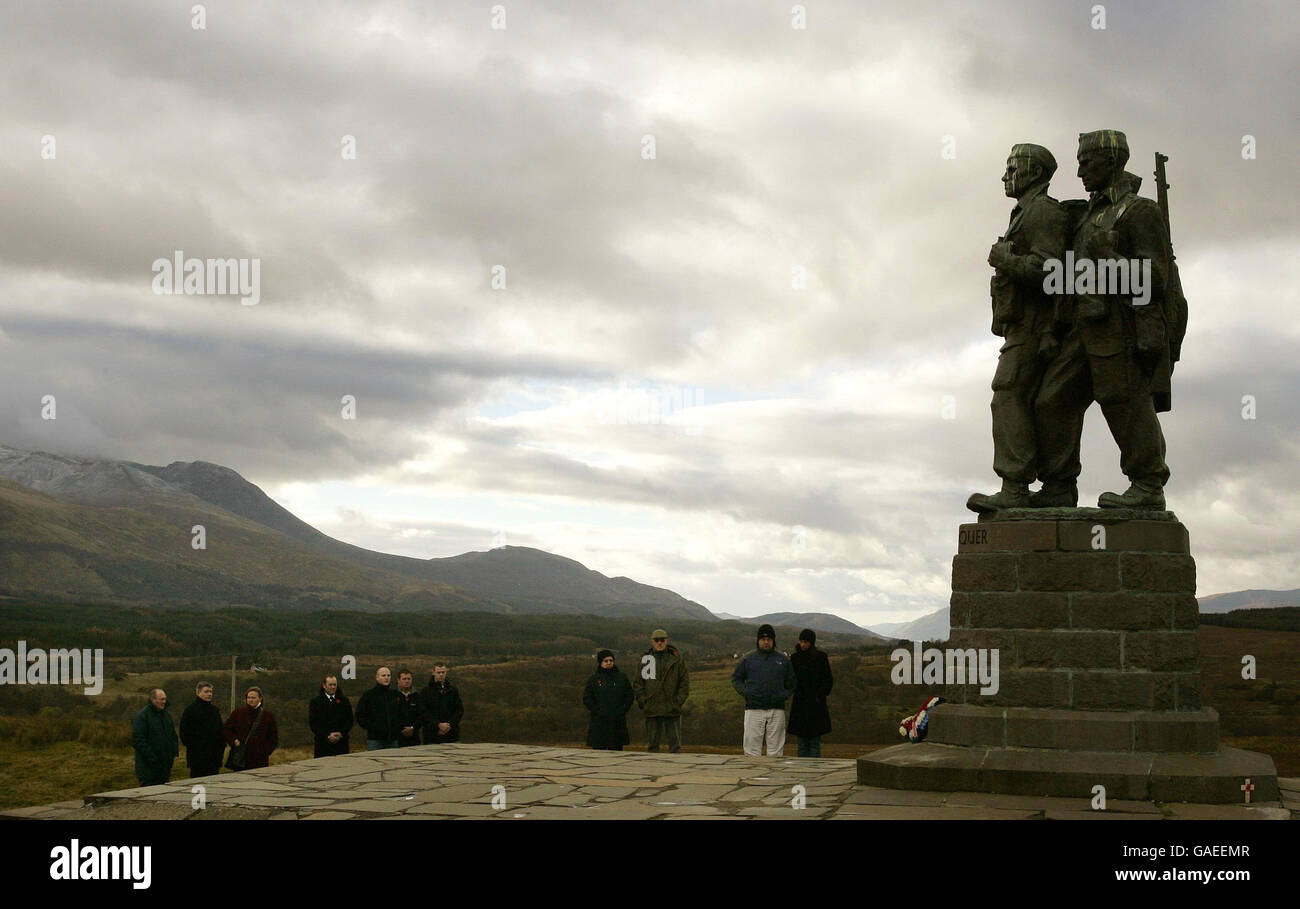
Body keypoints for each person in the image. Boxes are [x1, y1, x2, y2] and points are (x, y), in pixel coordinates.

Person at [1033, 129, 1176, 509]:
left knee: (1123, 402)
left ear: (1111, 162)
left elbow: (1155, 278)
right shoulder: (1087, 216)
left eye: (1086, 162)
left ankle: (1147, 485)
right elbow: (1072, 275)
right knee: (1052, 401)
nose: (1079, 172)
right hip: (1081, 325)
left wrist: (1109, 257)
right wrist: (1054, 326)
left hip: (1119, 325)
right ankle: (1059, 486)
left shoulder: (1139, 210)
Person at [968, 143, 1069, 512]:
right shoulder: (1025, 212)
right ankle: (1037, 485)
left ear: (1036, 173)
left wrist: (1006, 260)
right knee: (1025, 399)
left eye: (1013, 167)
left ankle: (1015, 487)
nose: (1005, 175)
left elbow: (1051, 271)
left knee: (1008, 392)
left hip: (1035, 324)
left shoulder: (1042, 212)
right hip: (1022, 324)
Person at [731, 624, 796, 757]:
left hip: (776, 709)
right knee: (751, 750)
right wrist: (746, 692)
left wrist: (783, 695)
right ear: (758, 640)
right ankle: (750, 777)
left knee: (776, 751)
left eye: (769, 639)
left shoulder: (782, 660)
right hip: (753, 708)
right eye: (763, 639)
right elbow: (736, 678)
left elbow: (792, 682)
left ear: (773, 640)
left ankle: (774, 776)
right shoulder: (748, 659)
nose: (766, 642)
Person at [632, 628, 689, 753]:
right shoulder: (645, 660)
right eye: (657, 640)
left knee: (675, 747)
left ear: (666, 641)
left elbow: (684, 684)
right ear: (652, 642)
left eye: (662, 640)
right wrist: (644, 701)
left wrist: (677, 702)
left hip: (672, 707)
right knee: (652, 747)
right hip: (652, 707)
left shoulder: (677, 660)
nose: (659, 643)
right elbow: (638, 683)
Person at [787, 629, 833, 757]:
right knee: (802, 742)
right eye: (801, 641)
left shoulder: (821, 657)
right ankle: (802, 768)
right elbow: (791, 679)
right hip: (800, 703)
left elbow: (828, 679)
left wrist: (819, 695)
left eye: (805, 642)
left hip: (816, 705)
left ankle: (815, 768)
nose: (803, 644)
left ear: (811, 642)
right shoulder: (795, 658)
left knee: (814, 742)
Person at [583, 650, 634, 751]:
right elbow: (587, 698)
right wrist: (597, 711)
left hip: (617, 721)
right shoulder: (594, 679)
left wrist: (622, 710)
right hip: (599, 721)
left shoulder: (622, 678)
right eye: (606, 661)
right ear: (600, 662)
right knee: (598, 754)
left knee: (617, 751)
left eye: (611, 660)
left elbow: (629, 696)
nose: (609, 663)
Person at [221, 687, 279, 771]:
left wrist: (264, 751)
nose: (250, 700)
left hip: (259, 760)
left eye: (253, 698)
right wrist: (234, 740)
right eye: (248, 697)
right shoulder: (238, 713)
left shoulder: (267, 716)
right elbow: (226, 729)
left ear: (260, 699)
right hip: (241, 758)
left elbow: (273, 737)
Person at [131, 688, 179, 786]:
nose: (164, 702)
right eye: (161, 699)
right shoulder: (142, 716)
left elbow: (172, 735)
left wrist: (173, 752)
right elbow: (138, 741)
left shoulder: (166, 715)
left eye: (165, 699)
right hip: (148, 769)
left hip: (165, 767)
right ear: (153, 700)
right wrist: (153, 760)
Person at [178, 681, 225, 776]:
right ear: (198, 693)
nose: (209, 694)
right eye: (206, 691)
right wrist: (195, 748)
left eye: (211, 691)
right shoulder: (190, 711)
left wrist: (220, 751)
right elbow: (184, 734)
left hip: (214, 759)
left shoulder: (215, 711)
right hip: (197, 759)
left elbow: (220, 733)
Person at [355, 666, 401, 750]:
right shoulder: (369, 695)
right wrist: (373, 728)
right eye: (383, 676)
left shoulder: (395, 695)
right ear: (377, 678)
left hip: (393, 740)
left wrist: (397, 728)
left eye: (388, 675)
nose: (386, 678)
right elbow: (359, 716)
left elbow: (401, 714)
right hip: (375, 740)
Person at [308, 674, 353, 758]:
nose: (333, 687)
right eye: (330, 685)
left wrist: (341, 733)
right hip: (322, 745)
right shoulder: (315, 702)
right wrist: (327, 736)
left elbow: (349, 720)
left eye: (334, 684)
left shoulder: (344, 701)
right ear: (324, 686)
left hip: (341, 744)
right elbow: (313, 724)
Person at [420, 663, 464, 744]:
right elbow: (423, 712)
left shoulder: (453, 691)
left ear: (446, 672)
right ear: (433, 673)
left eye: (443, 672)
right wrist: (438, 725)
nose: (441, 675)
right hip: (432, 735)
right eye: (438, 672)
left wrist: (449, 725)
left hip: (451, 735)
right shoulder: (425, 692)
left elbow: (459, 710)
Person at [394, 668, 424, 747]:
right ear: (398, 680)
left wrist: (412, 728)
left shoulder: (418, 697)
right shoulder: (393, 696)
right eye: (404, 679)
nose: (407, 681)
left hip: (414, 737)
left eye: (409, 679)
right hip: (396, 737)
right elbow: (392, 716)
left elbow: (422, 715)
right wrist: (401, 728)